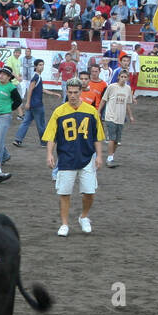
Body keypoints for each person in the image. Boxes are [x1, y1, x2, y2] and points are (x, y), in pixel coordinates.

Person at [43, 79, 105, 236]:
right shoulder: (59, 112)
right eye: (69, 92)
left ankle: (84, 216)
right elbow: (51, 136)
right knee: (64, 193)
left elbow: (97, 136)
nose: (72, 95)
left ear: (81, 92)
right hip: (66, 158)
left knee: (90, 192)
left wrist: (99, 156)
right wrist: (49, 154)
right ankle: (64, 224)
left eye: (75, 92)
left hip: (87, 157)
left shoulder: (91, 111)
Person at [99, 70, 135, 167]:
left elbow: (127, 103)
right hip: (110, 116)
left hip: (121, 117)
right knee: (112, 138)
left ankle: (111, 157)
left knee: (117, 140)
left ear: (127, 78)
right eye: (122, 76)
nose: (123, 79)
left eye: (125, 77)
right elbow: (103, 100)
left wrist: (130, 115)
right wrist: (98, 111)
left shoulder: (128, 89)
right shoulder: (111, 87)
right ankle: (110, 158)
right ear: (118, 77)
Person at [0, 66, 23, 165]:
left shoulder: (11, 87)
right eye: (1, 73)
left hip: (4, 116)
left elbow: (18, 101)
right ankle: (5, 156)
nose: (1, 76)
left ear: (9, 77)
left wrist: (9, 108)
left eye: (4, 74)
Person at [11, 58, 47, 148]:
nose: (41, 67)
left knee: (26, 122)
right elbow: (30, 89)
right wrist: (27, 102)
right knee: (41, 124)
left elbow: (38, 89)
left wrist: (52, 93)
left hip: (32, 105)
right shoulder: (36, 77)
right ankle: (44, 142)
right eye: (40, 65)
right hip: (37, 105)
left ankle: (18, 140)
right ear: (35, 66)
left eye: (42, 65)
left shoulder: (36, 76)